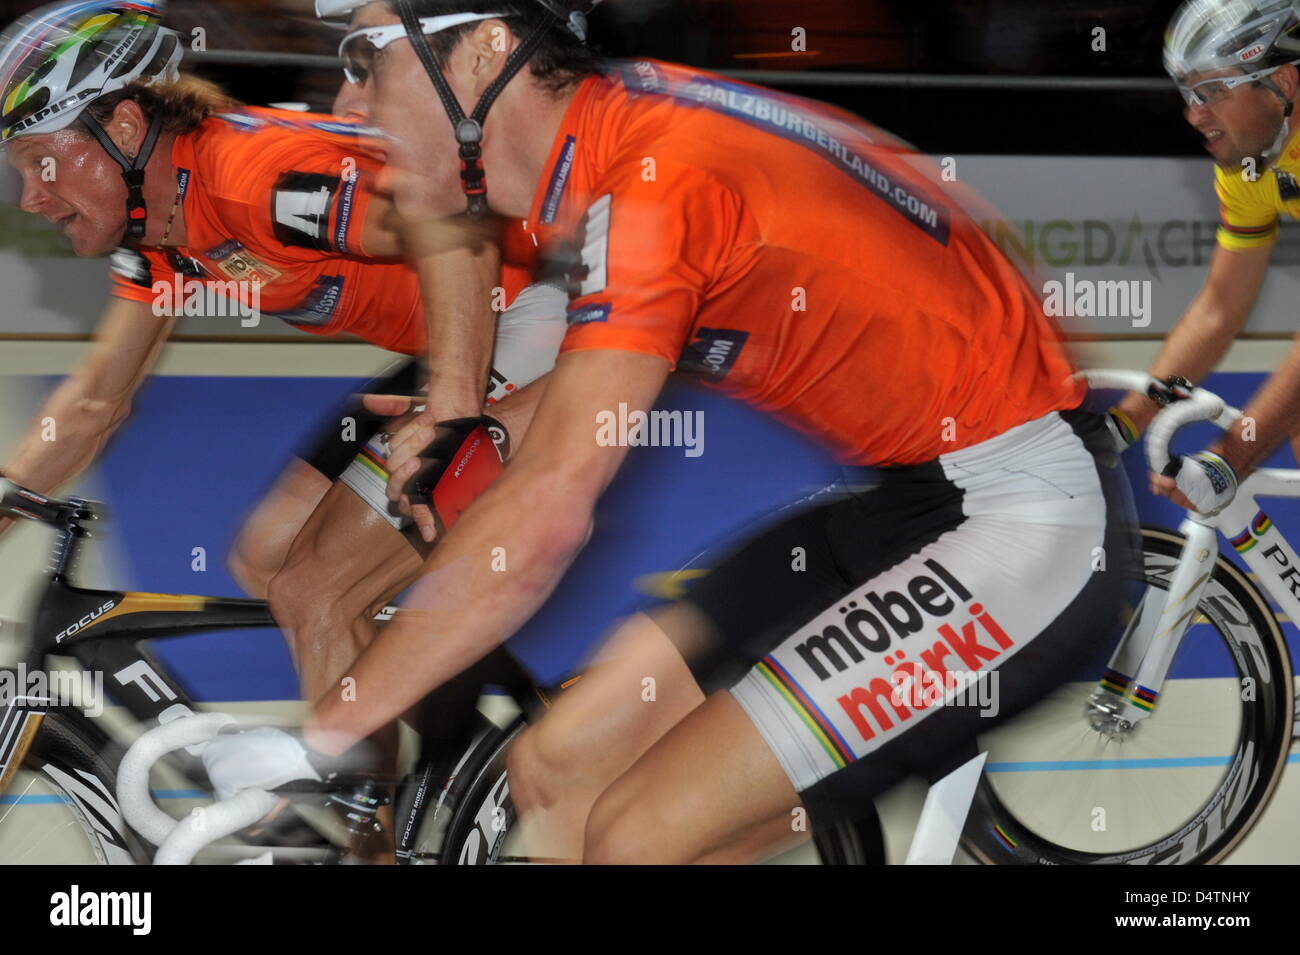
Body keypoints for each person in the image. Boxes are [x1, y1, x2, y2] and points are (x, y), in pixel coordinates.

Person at [201, 0, 1136, 864]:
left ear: (485, 49)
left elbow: (543, 520)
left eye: (367, 57)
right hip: (914, 498)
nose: (347, 99)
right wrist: (478, 420)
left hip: (1021, 522)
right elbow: (610, 378)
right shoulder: (621, 137)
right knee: (556, 767)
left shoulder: (650, 181)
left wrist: (324, 736)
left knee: (637, 835)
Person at [0, 0, 566, 715]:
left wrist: (454, 409)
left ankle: (366, 813)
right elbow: (92, 402)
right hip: (490, 321)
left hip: (555, 306)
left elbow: (459, 224)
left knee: (316, 590)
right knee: (270, 553)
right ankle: (420, 710)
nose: (30, 196)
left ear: (123, 126)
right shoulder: (160, 227)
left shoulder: (253, 180)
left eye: (41, 161)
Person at [1116, 0, 1300, 517]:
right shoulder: (1249, 166)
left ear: (1283, 82)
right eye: (1188, 94)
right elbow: (1219, 309)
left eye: (1213, 90)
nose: (1194, 114)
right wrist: (1124, 423)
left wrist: (1230, 459)